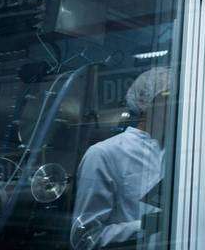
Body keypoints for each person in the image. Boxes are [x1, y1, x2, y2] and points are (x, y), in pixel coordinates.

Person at [71, 67, 170, 249]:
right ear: (144, 102)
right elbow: (85, 238)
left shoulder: (178, 154)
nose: (176, 105)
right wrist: (147, 225)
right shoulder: (103, 154)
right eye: (167, 97)